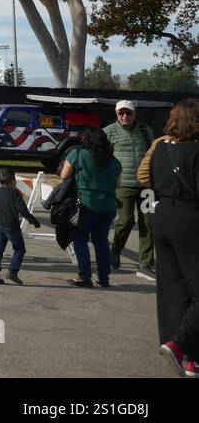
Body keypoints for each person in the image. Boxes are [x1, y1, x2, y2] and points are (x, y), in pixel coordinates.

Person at [140, 98, 199, 377]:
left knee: (172, 289)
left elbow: (147, 177)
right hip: (189, 217)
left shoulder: (160, 148)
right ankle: (181, 346)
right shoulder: (196, 152)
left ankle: (185, 354)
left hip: (162, 214)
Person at [61, 127, 122, 288]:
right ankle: (104, 278)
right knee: (101, 241)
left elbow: (64, 175)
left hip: (86, 203)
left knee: (80, 239)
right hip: (108, 206)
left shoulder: (78, 154)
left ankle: (84, 275)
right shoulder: (115, 162)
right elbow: (118, 184)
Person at [104, 99, 156, 280]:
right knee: (125, 221)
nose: (124, 116)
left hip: (146, 186)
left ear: (135, 114)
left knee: (148, 223)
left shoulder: (145, 131)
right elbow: (102, 158)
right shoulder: (108, 132)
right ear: (116, 114)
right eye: (121, 113)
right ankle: (116, 249)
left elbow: (153, 153)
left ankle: (147, 263)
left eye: (128, 113)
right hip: (123, 186)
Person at [0, 167, 40, 284]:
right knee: (19, 249)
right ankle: (12, 272)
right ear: (13, 180)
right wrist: (34, 221)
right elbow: (23, 210)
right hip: (11, 225)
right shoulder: (15, 193)